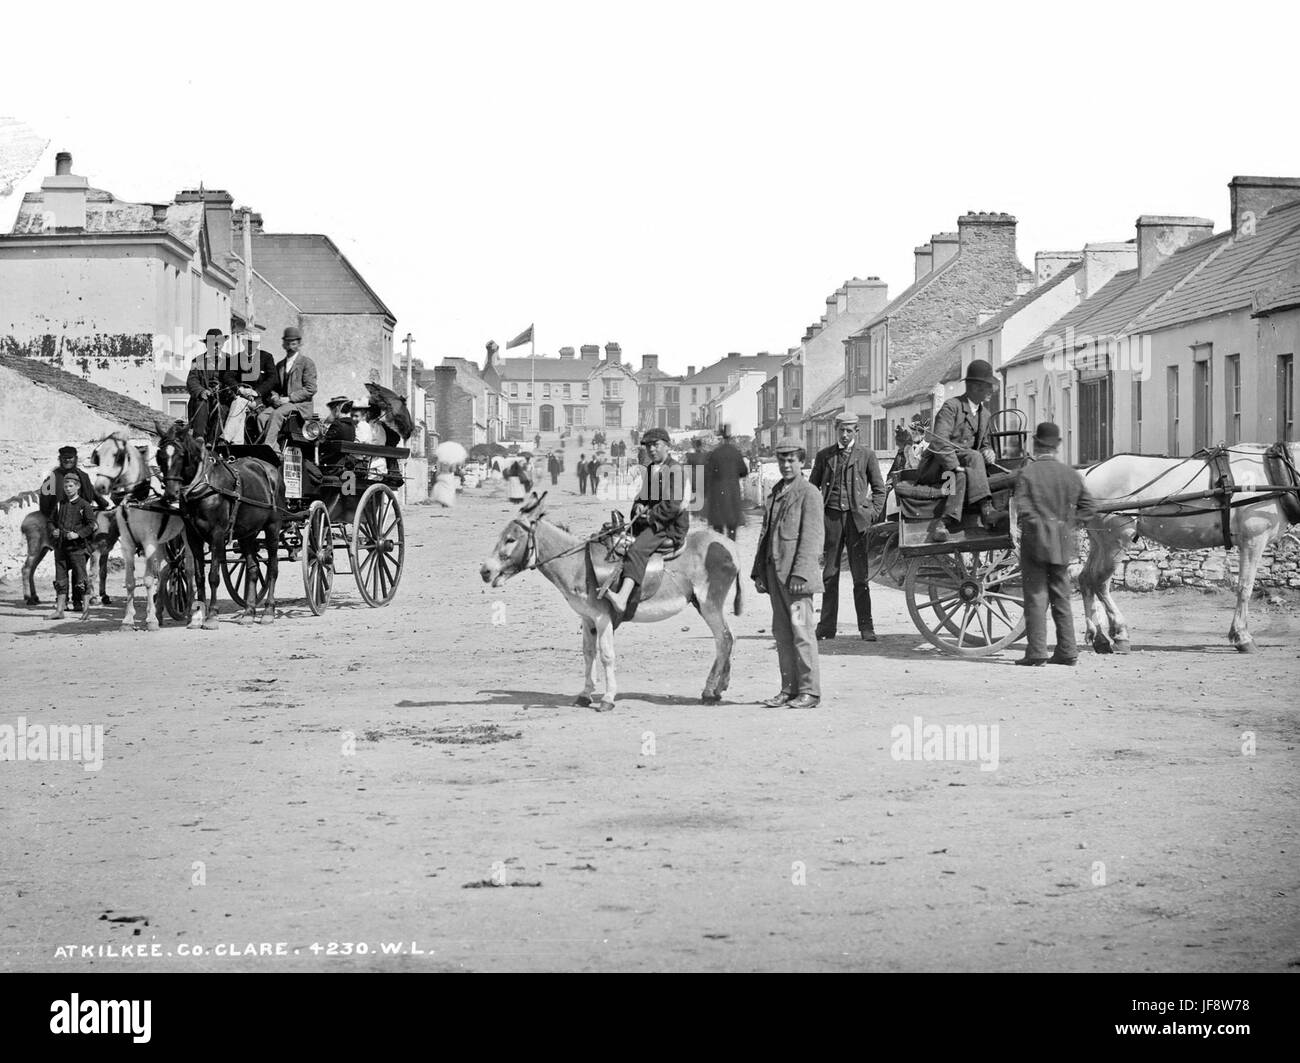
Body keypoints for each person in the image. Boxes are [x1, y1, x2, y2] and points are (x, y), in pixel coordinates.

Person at [1014, 422, 1097, 666]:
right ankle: (1068, 652)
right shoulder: (1070, 474)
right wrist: (1070, 523)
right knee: (1062, 596)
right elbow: (1089, 507)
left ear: (1036, 444)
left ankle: (1037, 653)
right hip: (1062, 541)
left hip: (1035, 541)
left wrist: (1038, 524)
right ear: (1057, 445)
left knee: (1036, 597)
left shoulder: (1027, 473)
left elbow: (1023, 507)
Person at [752, 436, 824, 709]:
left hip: (797, 580)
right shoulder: (775, 493)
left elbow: (812, 538)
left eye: (791, 459)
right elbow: (766, 536)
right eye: (781, 459)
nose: (785, 465)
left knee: (802, 632)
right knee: (782, 633)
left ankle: (809, 691)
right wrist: (759, 572)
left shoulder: (809, 493)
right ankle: (788, 689)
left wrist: (801, 576)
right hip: (775, 576)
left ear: (802, 462)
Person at [809, 411, 887, 641]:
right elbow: (813, 490)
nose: (844, 435)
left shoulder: (867, 455)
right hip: (831, 519)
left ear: (857, 431)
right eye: (841, 430)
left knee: (860, 576)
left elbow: (880, 489)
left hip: (857, 522)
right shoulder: (824, 456)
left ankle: (866, 627)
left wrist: (872, 514)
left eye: (849, 430)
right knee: (829, 575)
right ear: (837, 430)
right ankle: (826, 628)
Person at [915, 359, 1004, 542]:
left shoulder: (985, 415)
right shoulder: (951, 407)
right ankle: (987, 508)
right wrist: (956, 466)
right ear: (973, 387)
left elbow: (985, 444)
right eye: (988, 386)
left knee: (968, 468)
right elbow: (939, 443)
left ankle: (944, 523)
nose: (991, 391)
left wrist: (989, 452)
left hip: (968, 469)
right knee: (970, 459)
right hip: (939, 467)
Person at [602, 427, 687, 614]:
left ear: (667, 446)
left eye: (655, 445)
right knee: (617, 539)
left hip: (669, 525)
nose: (651, 450)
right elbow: (642, 497)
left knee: (637, 548)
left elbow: (673, 505)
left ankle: (623, 598)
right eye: (648, 446)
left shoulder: (676, 470)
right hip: (652, 521)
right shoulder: (650, 469)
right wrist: (638, 506)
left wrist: (649, 515)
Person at [48, 472, 97, 618]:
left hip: (77, 548)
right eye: (65, 486)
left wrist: (78, 534)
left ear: (78, 487)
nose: (68, 489)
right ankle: (59, 611)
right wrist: (54, 530)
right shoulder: (59, 504)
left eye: (71, 486)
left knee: (81, 578)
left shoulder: (84, 505)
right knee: (60, 578)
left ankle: (86, 611)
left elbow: (92, 525)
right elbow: (50, 521)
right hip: (61, 547)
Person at [257, 326, 318, 445]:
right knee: (261, 417)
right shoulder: (280, 365)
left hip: (301, 405)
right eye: (287, 343)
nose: (290, 346)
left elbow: (311, 389)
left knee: (277, 414)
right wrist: (274, 397)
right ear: (283, 344)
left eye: (293, 343)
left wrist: (289, 398)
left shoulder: (307, 363)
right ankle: (274, 449)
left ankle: (268, 447)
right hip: (283, 404)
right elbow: (275, 388)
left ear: (299, 344)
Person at [186, 327, 238, 446]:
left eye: (219, 344)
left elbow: (235, 379)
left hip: (223, 397)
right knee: (201, 402)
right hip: (204, 397)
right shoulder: (197, 361)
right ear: (207, 345)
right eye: (213, 344)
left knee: (222, 409)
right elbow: (191, 381)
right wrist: (201, 391)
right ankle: (199, 437)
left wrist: (227, 389)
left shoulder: (231, 360)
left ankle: (213, 441)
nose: (216, 347)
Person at [704, 424, 749, 540]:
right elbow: (744, 471)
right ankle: (731, 547)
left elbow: (707, 473)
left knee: (718, 528)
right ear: (731, 438)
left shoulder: (715, 453)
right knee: (732, 526)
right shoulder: (735, 453)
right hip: (732, 492)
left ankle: (720, 549)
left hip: (717, 495)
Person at [40, 447, 105, 518]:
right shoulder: (52, 479)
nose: (67, 460)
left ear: (76, 458)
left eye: (70, 457)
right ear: (60, 459)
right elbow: (44, 504)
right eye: (64, 458)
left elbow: (92, 491)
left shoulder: (83, 476)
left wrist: (104, 504)